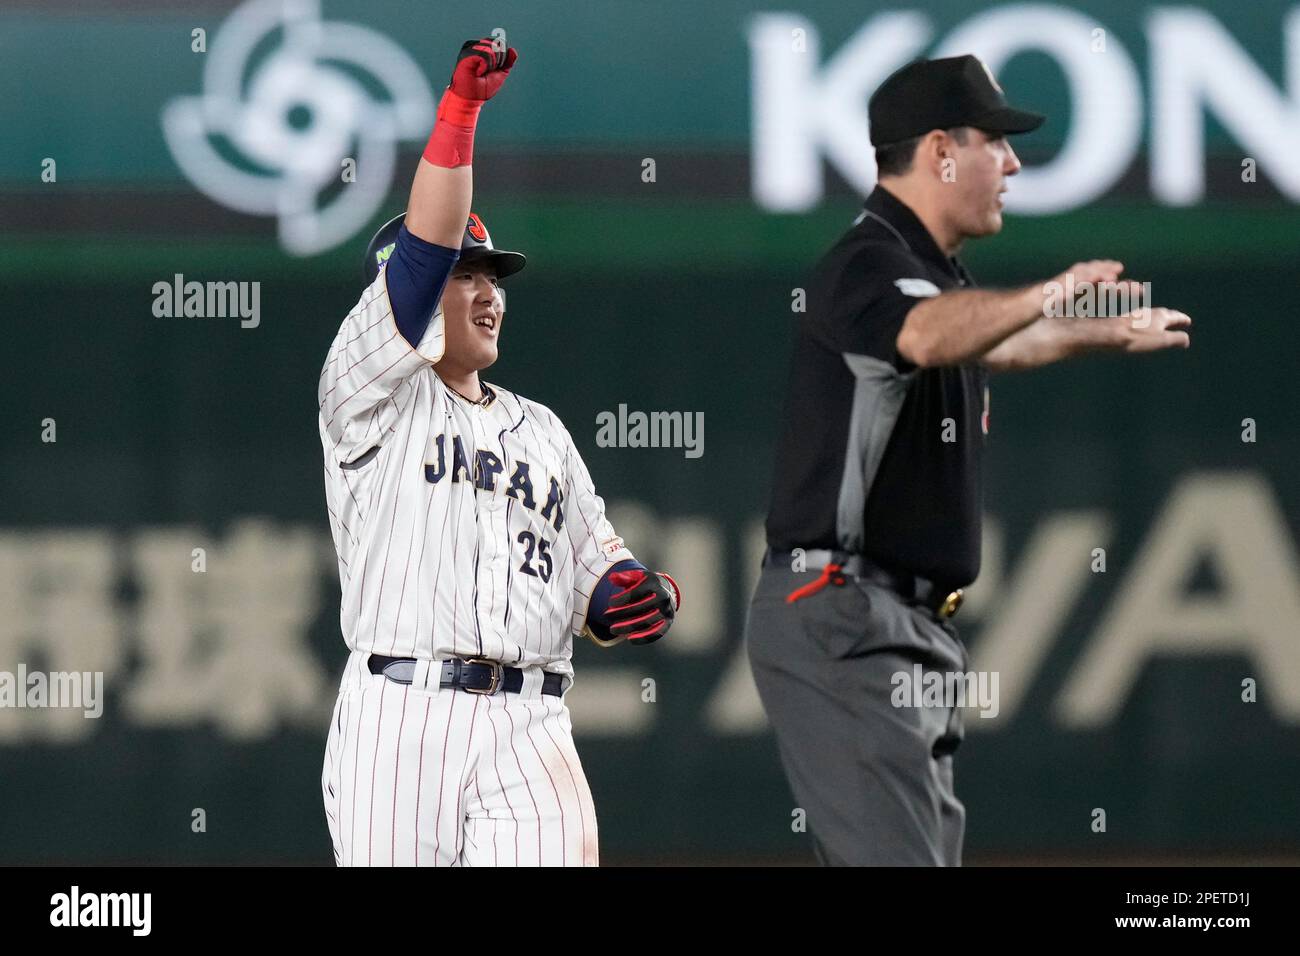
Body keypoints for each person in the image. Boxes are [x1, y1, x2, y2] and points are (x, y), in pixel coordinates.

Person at [746, 54, 1191, 866]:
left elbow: (991, 339)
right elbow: (927, 334)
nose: (1014, 163)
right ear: (941, 151)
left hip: (905, 628)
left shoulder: (928, 271)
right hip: (841, 613)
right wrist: (1046, 293)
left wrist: (1093, 329)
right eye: (996, 142)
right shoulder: (866, 265)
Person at [317, 36, 681, 866]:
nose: (488, 293)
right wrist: (460, 116)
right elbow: (420, 257)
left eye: (495, 278)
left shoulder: (542, 431)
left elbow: (599, 572)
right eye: (465, 274)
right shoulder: (364, 393)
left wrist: (632, 594)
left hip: (531, 718)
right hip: (400, 716)